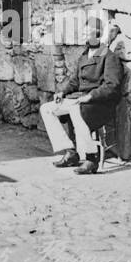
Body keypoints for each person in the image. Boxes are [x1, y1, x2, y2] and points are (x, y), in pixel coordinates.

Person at [39, 18, 122, 175]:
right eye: (83, 31)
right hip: (81, 99)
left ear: (97, 34)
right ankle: (70, 151)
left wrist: (90, 96)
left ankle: (91, 159)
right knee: (47, 109)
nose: (83, 34)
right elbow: (75, 81)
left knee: (77, 109)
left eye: (87, 31)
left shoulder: (109, 57)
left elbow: (112, 86)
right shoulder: (84, 55)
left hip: (100, 104)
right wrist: (62, 92)